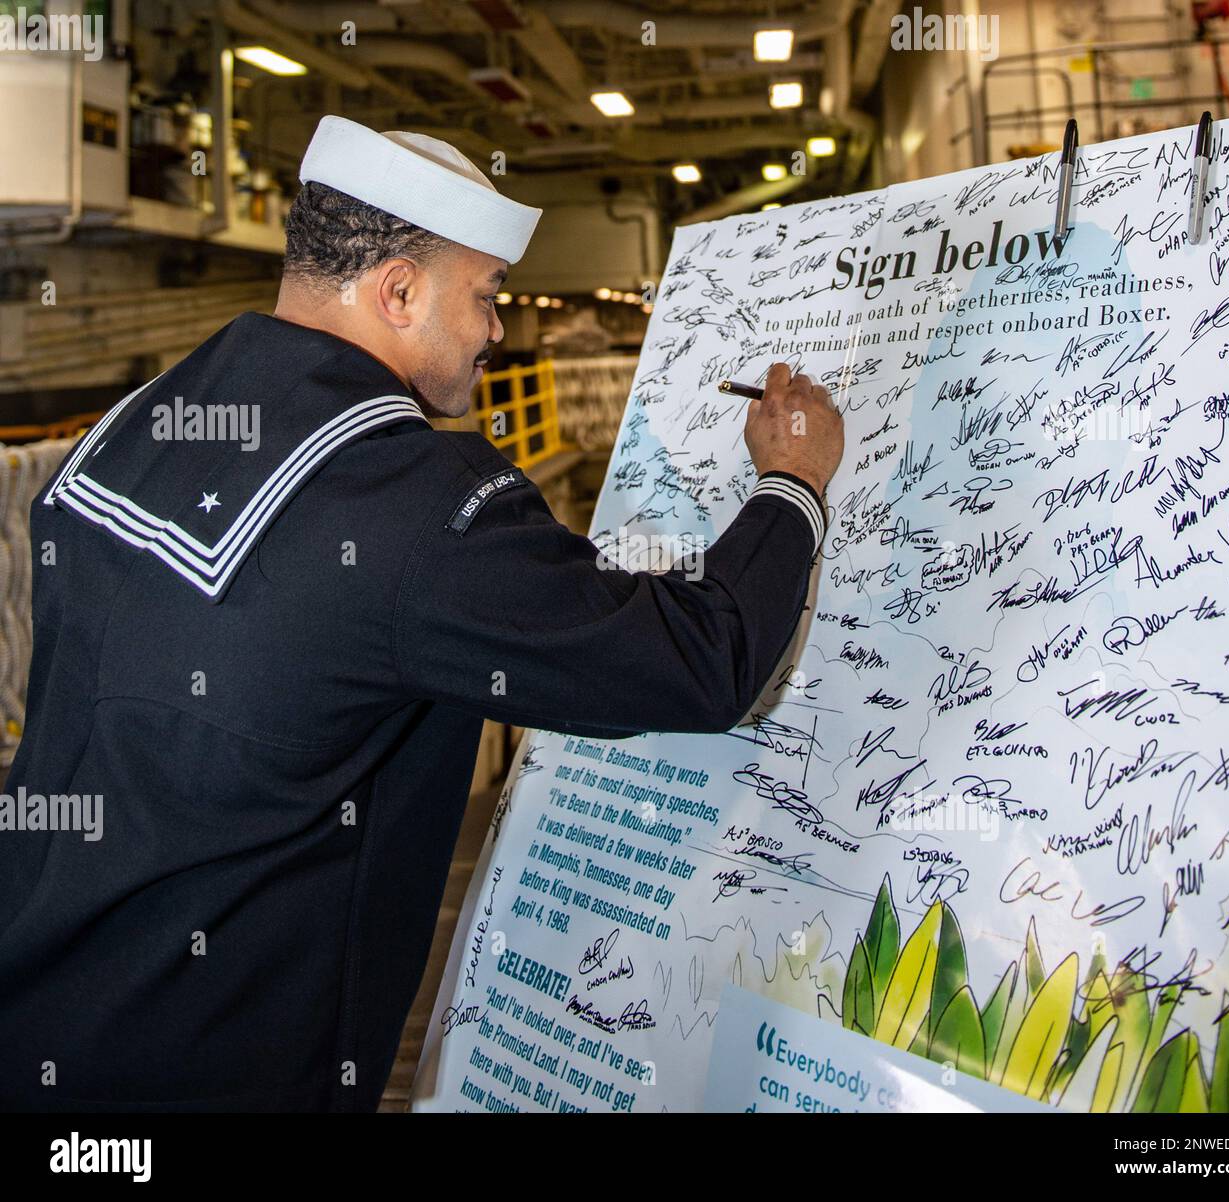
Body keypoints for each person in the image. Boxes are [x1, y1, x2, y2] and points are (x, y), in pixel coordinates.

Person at [0, 115, 844, 1112]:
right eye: (485, 296)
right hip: (212, 1064)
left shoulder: (129, 426)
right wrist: (792, 481)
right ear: (397, 291)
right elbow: (703, 658)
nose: (497, 331)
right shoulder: (411, 500)